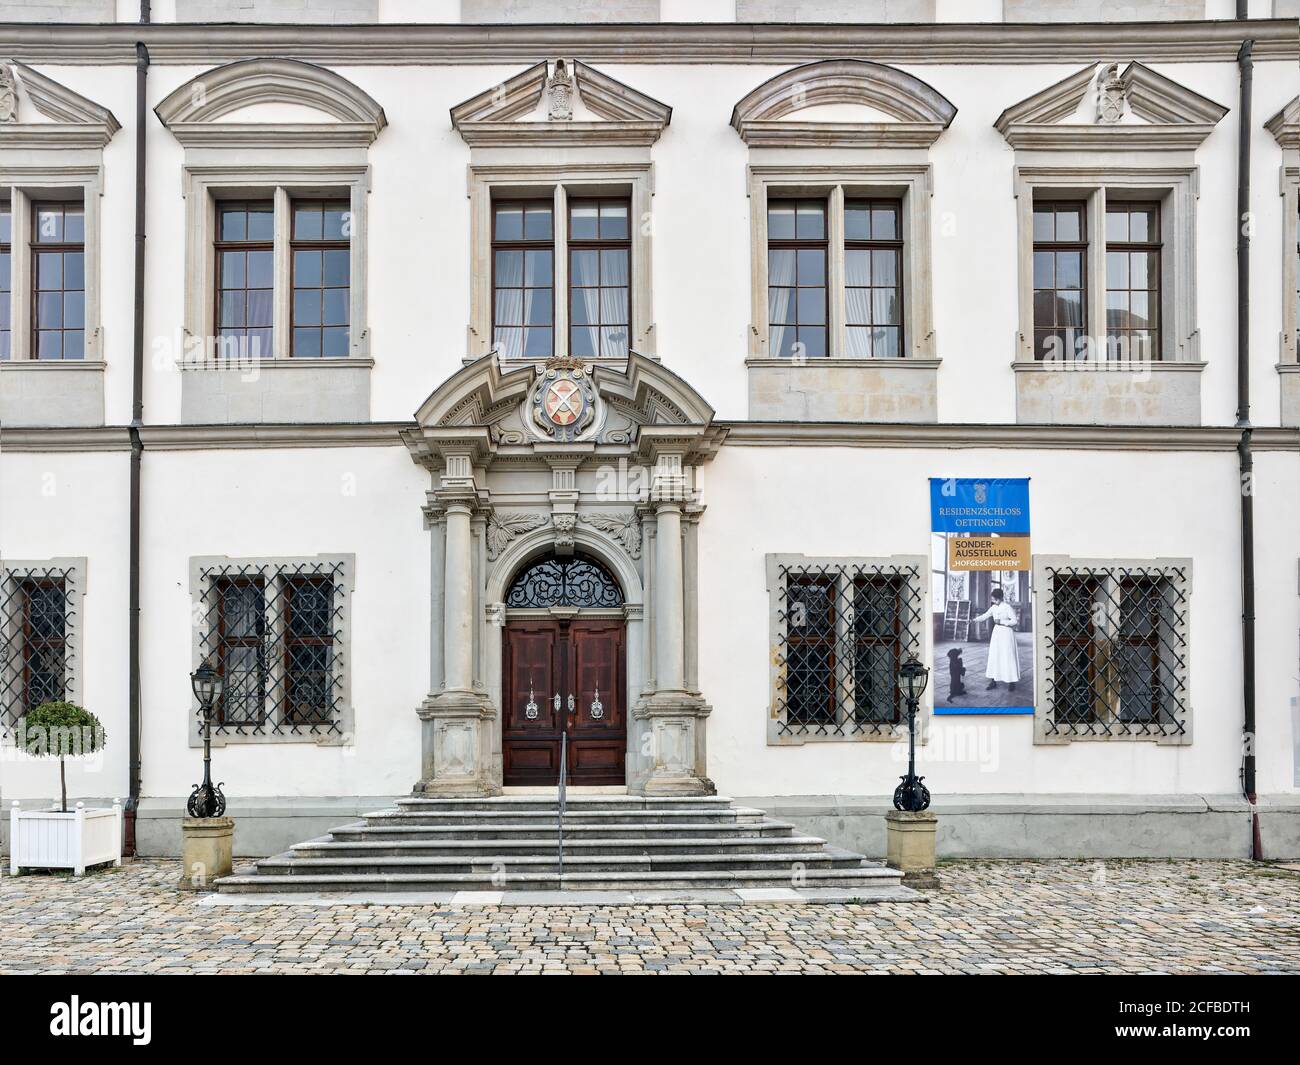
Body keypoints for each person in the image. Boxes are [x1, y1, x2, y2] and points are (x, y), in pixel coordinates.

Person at [971, 587, 1020, 690]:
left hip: (1006, 634)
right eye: (993, 599)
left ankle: (1011, 682)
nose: (994, 601)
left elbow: (1015, 621)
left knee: (1007, 656)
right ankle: (993, 680)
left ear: (1001, 598)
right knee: (995, 656)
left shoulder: (1007, 607)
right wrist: (973, 620)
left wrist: (1002, 622)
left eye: (995, 599)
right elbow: (985, 616)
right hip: (997, 634)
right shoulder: (993, 608)